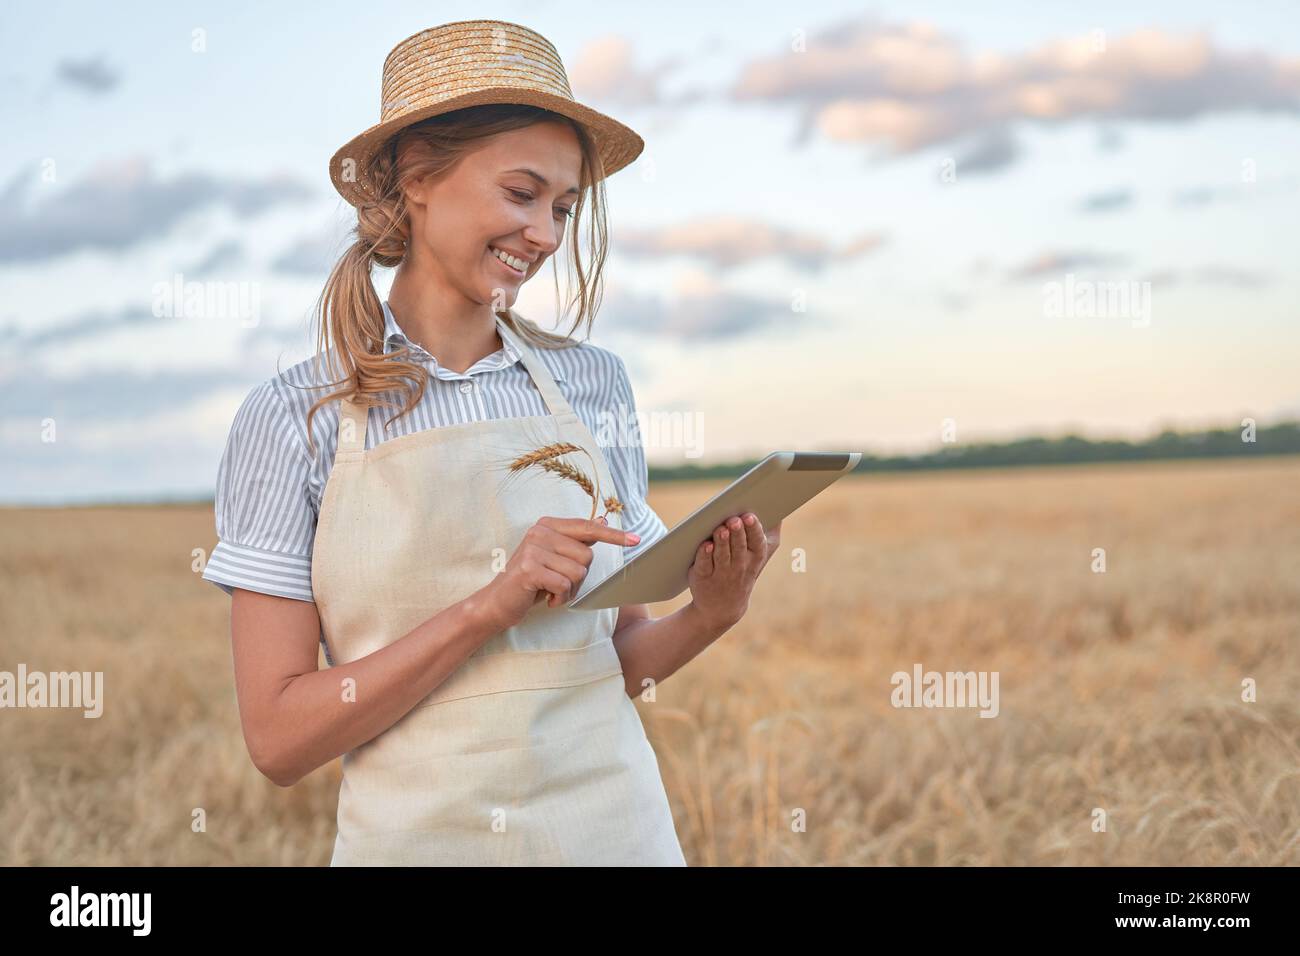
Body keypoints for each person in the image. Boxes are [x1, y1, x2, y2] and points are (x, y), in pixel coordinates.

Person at [202, 19, 781, 865]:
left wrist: (713, 613)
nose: (546, 234)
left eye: (564, 206)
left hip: (615, 836)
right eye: (521, 194)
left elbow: (615, 664)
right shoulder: (294, 418)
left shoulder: (594, 386)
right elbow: (281, 740)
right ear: (417, 176)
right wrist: (488, 607)